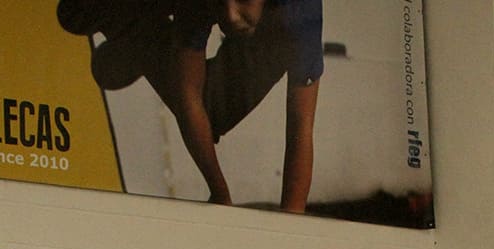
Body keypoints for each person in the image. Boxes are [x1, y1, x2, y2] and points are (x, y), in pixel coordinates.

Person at [58, 0, 323, 210]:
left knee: (212, 115)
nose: (230, 15)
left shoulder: (300, 14)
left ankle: (143, 37)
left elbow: (301, 126)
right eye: (221, 3)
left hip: (273, 26)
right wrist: (220, 194)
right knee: (202, 114)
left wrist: (292, 220)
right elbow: (188, 97)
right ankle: (130, 19)